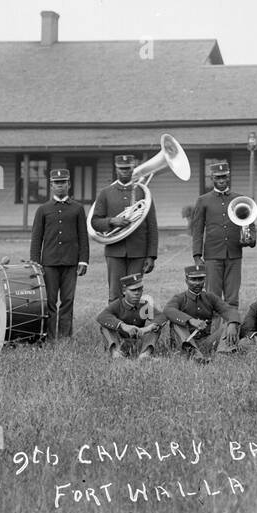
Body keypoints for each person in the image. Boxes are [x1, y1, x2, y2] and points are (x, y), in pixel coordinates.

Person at [29, 167, 89, 342]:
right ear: (51, 186)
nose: (60, 186)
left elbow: (83, 236)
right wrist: (35, 261)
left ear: (69, 184)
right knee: (49, 301)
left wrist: (83, 261)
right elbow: (36, 238)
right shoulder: (43, 209)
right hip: (49, 263)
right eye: (57, 183)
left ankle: (64, 337)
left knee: (68, 300)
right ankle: (49, 337)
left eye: (63, 182)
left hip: (71, 262)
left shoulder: (77, 208)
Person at [191, 159, 256, 315]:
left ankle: (231, 330)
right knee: (212, 295)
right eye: (218, 177)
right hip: (212, 254)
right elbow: (197, 230)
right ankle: (214, 331)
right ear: (212, 178)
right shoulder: (203, 200)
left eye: (224, 177)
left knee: (232, 297)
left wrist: (251, 238)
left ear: (228, 177)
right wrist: (197, 256)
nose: (221, 180)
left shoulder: (240, 199)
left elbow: (249, 223)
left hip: (234, 253)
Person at [91, 154, 158, 301]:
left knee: (134, 293)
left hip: (138, 252)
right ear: (116, 169)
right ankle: (113, 324)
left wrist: (151, 256)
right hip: (115, 251)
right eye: (121, 168)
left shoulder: (143, 192)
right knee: (115, 294)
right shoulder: (106, 193)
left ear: (133, 168)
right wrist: (112, 221)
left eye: (128, 168)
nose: (125, 171)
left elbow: (152, 226)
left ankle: (133, 324)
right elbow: (95, 222)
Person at [163, 264, 239, 361]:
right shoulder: (180, 298)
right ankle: (195, 355)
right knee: (176, 323)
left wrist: (232, 323)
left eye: (200, 279)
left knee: (231, 322)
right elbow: (167, 310)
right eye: (193, 280)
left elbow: (229, 310)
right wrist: (190, 320)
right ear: (186, 281)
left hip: (206, 342)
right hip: (185, 343)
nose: (197, 283)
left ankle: (223, 354)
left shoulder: (210, 297)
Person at [97, 273, 165, 361]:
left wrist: (147, 328)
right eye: (133, 290)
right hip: (120, 341)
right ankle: (116, 353)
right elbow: (102, 316)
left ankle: (145, 354)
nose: (137, 293)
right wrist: (123, 326)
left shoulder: (143, 305)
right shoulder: (118, 304)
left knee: (156, 328)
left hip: (139, 342)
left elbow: (161, 317)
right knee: (104, 326)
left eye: (139, 290)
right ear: (124, 291)